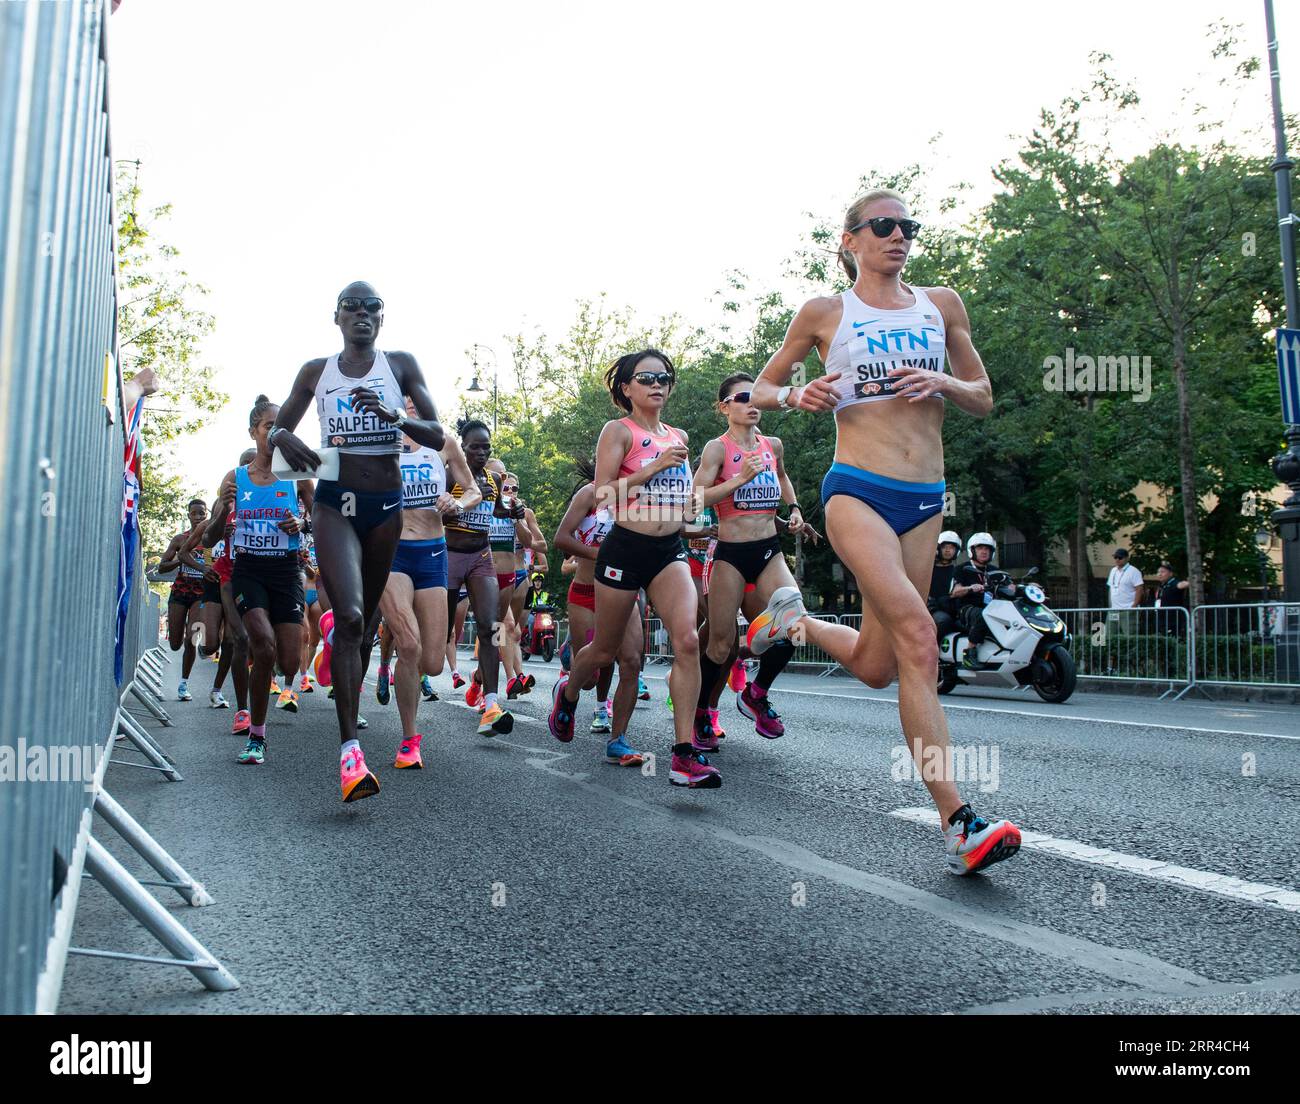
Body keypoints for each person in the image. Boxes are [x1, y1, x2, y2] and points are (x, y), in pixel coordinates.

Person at [748, 188, 1021, 874]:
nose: (899, 236)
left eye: (908, 227)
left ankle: (792, 627)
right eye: (883, 226)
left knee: (877, 664)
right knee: (920, 639)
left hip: (925, 498)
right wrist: (793, 395)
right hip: (857, 492)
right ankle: (959, 821)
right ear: (850, 241)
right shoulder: (825, 313)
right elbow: (757, 390)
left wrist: (944, 382)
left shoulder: (943, 304)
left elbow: (984, 395)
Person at [267, 282, 446, 802]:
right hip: (334, 503)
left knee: (364, 625)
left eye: (373, 308)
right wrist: (284, 437)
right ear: (337, 317)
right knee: (349, 616)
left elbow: (435, 432)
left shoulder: (401, 365)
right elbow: (279, 429)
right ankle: (350, 754)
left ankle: (340, 648)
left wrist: (395, 416)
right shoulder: (314, 372)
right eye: (353, 307)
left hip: (385, 508)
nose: (363, 315)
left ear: (381, 321)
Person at [548, 350, 718, 788]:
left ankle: (684, 755)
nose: (657, 384)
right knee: (604, 652)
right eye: (646, 378)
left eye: (664, 377)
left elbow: (683, 501)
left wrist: (697, 520)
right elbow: (603, 495)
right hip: (624, 549)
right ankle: (567, 696)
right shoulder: (617, 431)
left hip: (668, 550)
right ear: (626, 388)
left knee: (685, 639)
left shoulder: (678, 435)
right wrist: (655, 467)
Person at [693, 372, 804, 745]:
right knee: (720, 645)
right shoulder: (718, 449)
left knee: (793, 622)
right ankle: (702, 714)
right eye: (743, 397)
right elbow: (695, 500)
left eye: (757, 396)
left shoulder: (773, 444)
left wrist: (794, 509)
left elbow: (784, 477)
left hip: (769, 549)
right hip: (730, 555)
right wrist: (738, 479)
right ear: (725, 407)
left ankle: (756, 694)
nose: (753, 403)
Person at [205, 397, 314, 764]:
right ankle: (256, 737)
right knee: (262, 645)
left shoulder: (298, 476)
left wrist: (303, 524)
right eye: (270, 427)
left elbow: (324, 521)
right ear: (254, 431)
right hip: (248, 570)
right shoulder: (234, 478)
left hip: (286, 572)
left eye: (284, 428)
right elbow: (209, 538)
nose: (277, 434)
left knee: (287, 662)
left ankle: (268, 701)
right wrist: (223, 508)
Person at [376, 396, 480, 768]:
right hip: (392, 552)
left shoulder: (443, 442)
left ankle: (396, 665)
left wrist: (457, 505)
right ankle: (409, 740)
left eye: (414, 399)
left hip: (433, 552)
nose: (409, 405)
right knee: (410, 644)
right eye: (400, 399)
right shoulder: (381, 439)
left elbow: (473, 490)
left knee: (432, 662)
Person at [553, 458, 645, 765]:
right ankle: (568, 695)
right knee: (592, 675)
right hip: (586, 592)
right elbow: (561, 539)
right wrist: (604, 554)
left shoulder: (638, 497)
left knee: (631, 662)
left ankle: (618, 739)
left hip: (623, 589)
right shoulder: (590, 495)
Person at [441, 419, 517, 735]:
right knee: (440, 635)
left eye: (487, 447)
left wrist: (513, 509)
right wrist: (463, 502)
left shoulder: (493, 478)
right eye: (476, 447)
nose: (482, 453)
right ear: (462, 447)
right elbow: (432, 513)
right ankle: (414, 674)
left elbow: (500, 510)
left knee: (490, 627)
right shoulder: (449, 475)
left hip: (481, 557)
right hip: (449, 556)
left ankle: (491, 705)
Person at [158, 499, 210, 701]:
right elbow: (162, 567)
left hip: (201, 593)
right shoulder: (180, 539)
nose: (199, 517)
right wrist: (181, 558)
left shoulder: (211, 540)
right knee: (175, 644)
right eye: (195, 513)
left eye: (202, 513)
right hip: (180, 592)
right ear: (188, 515)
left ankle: (183, 684)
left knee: (191, 639)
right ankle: (182, 637)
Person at [951, 532, 998, 668]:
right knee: (982, 615)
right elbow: (955, 592)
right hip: (967, 608)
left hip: (992, 608)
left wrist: (1027, 587)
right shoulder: (962, 569)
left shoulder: (994, 570)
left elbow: (1010, 585)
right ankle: (969, 652)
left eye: (987, 549)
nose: (984, 551)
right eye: (980, 548)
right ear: (973, 550)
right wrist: (970, 588)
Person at [1107, 548, 1144, 637]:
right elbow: (1110, 588)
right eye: (1115, 557)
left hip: (1127, 609)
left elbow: (1139, 588)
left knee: (1130, 636)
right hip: (1114, 610)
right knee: (1109, 635)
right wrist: (1110, 606)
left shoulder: (1133, 571)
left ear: (1127, 558)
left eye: (1120, 557)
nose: (1117, 559)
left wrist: (1134, 605)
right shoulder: (1113, 571)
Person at [929, 529, 962, 617]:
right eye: (944, 547)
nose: (947, 550)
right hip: (930, 610)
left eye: (951, 547)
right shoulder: (928, 569)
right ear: (938, 548)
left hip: (951, 610)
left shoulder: (958, 570)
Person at [1153, 561, 1189, 636]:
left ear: (1170, 574)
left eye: (1163, 572)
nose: (1159, 574)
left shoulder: (1173, 583)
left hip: (1172, 620)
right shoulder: (1161, 586)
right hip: (1161, 618)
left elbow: (1181, 585)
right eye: (1158, 572)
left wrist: (1189, 582)